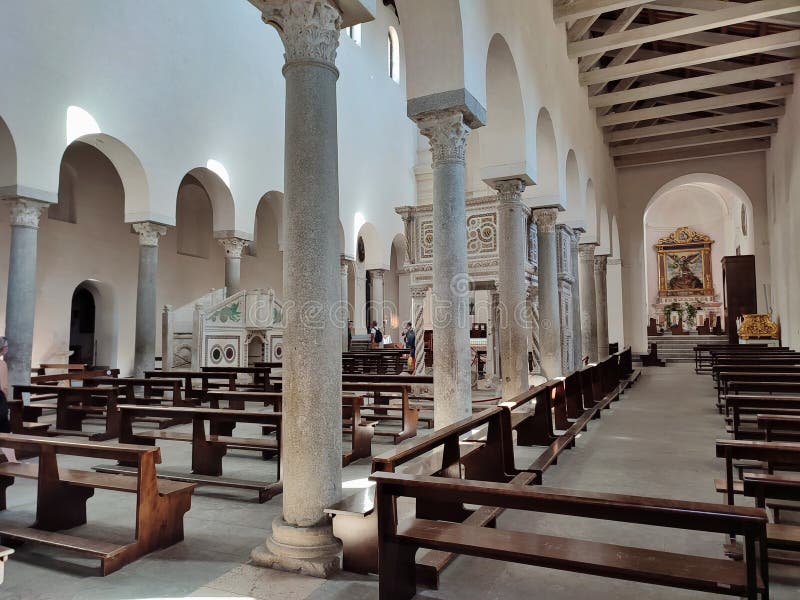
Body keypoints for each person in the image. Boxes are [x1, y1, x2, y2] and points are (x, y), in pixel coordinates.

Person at [0, 337, 16, 462]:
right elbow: (4, 386)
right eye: (5, 345)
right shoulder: (2, 364)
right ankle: (13, 461)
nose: (7, 348)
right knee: (5, 430)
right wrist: (5, 400)